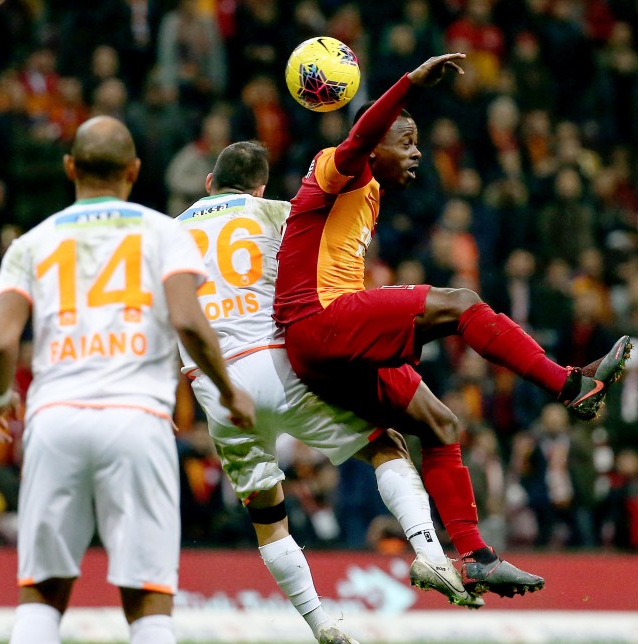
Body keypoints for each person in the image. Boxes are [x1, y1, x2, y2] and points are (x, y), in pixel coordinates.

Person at [274, 53, 631, 596]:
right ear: (376, 144)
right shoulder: (338, 167)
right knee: (461, 303)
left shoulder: (367, 195)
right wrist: (409, 83)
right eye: (407, 140)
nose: (417, 152)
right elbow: (360, 137)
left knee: (440, 424)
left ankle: (475, 556)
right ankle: (570, 385)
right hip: (318, 321)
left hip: (328, 352)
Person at [176, 141, 479, 644]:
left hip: (216, 386)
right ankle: (429, 553)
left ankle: (321, 625)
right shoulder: (278, 214)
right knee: (385, 445)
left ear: (209, 183)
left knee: (268, 516)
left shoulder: (168, 235)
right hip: (280, 364)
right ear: (260, 188)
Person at [0, 115, 257, 644]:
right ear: (133, 170)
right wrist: (228, 391)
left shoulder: (32, 242)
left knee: (41, 597)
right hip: (137, 421)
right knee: (149, 604)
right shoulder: (165, 233)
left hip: (55, 420)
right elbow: (188, 321)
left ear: (70, 167)